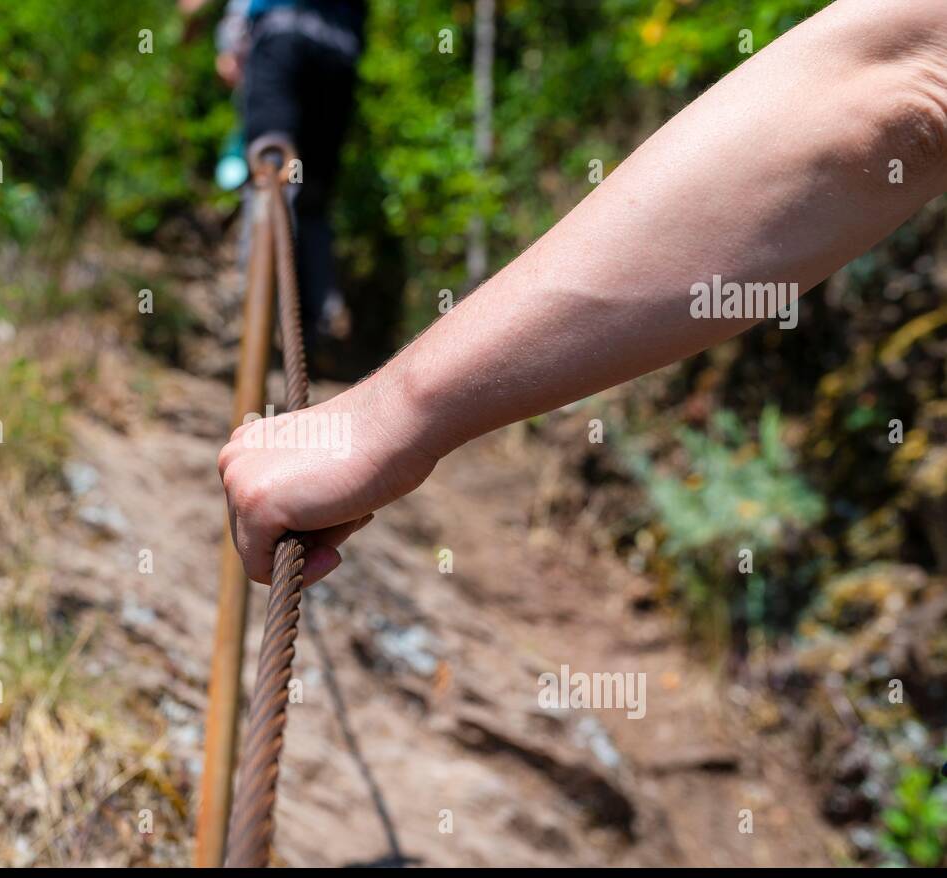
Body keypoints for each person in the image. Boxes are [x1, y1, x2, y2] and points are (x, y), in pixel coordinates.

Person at [218, 0, 947, 586]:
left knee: (288, 188)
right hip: (330, 52)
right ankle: (314, 304)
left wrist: (391, 413)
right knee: (307, 194)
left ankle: (293, 300)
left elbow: (903, 82)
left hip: (282, 46)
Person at [186, 0, 367, 350]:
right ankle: (315, 324)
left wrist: (222, 41)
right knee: (311, 191)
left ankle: (258, 319)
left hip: (280, 35)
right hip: (341, 48)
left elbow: (192, 7)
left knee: (270, 172)